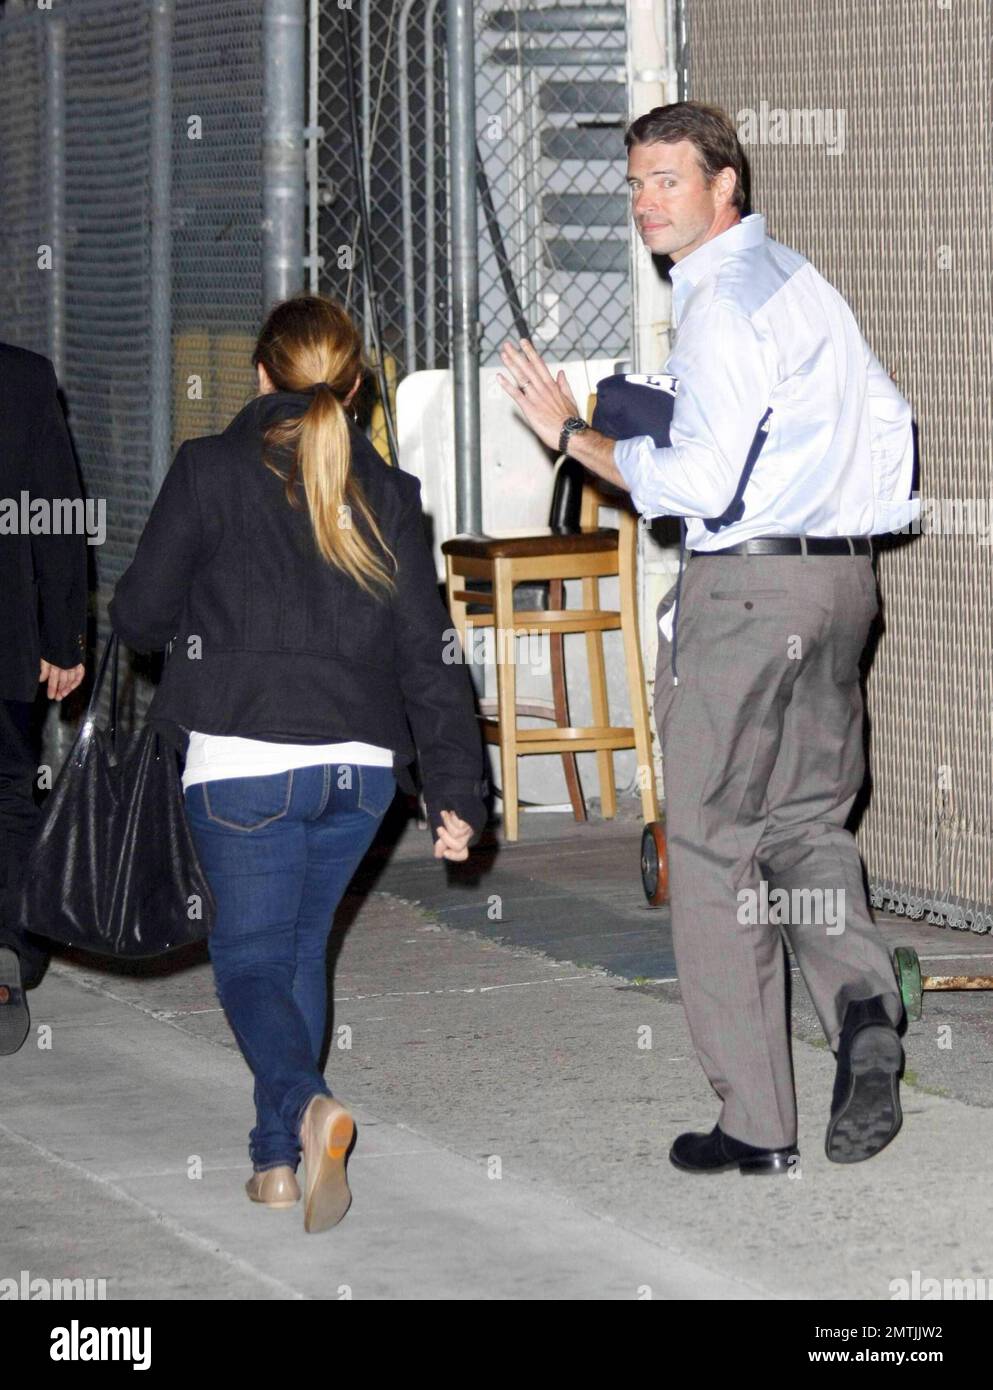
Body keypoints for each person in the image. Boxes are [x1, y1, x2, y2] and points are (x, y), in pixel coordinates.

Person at [498, 102, 918, 1174]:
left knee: (712, 840)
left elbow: (696, 481)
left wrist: (575, 436)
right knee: (807, 821)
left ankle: (756, 1121)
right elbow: (888, 423)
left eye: (668, 180)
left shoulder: (722, 301)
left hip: (745, 596)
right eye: (636, 181)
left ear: (725, 186)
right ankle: (865, 1008)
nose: (645, 200)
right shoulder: (800, 283)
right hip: (839, 582)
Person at [110, 295, 487, 1231]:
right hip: (359, 776)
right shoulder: (391, 494)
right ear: (356, 386)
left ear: (260, 374)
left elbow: (137, 619)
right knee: (295, 953)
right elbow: (427, 653)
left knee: (245, 960)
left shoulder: (207, 471)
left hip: (240, 762)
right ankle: (276, 1162)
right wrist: (457, 789)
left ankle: (308, 1105)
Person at [0, 343, 87, 1057]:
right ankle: (8, 953)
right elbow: (53, 516)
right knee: (7, 792)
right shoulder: (21, 377)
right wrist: (63, 637)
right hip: (4, 640)